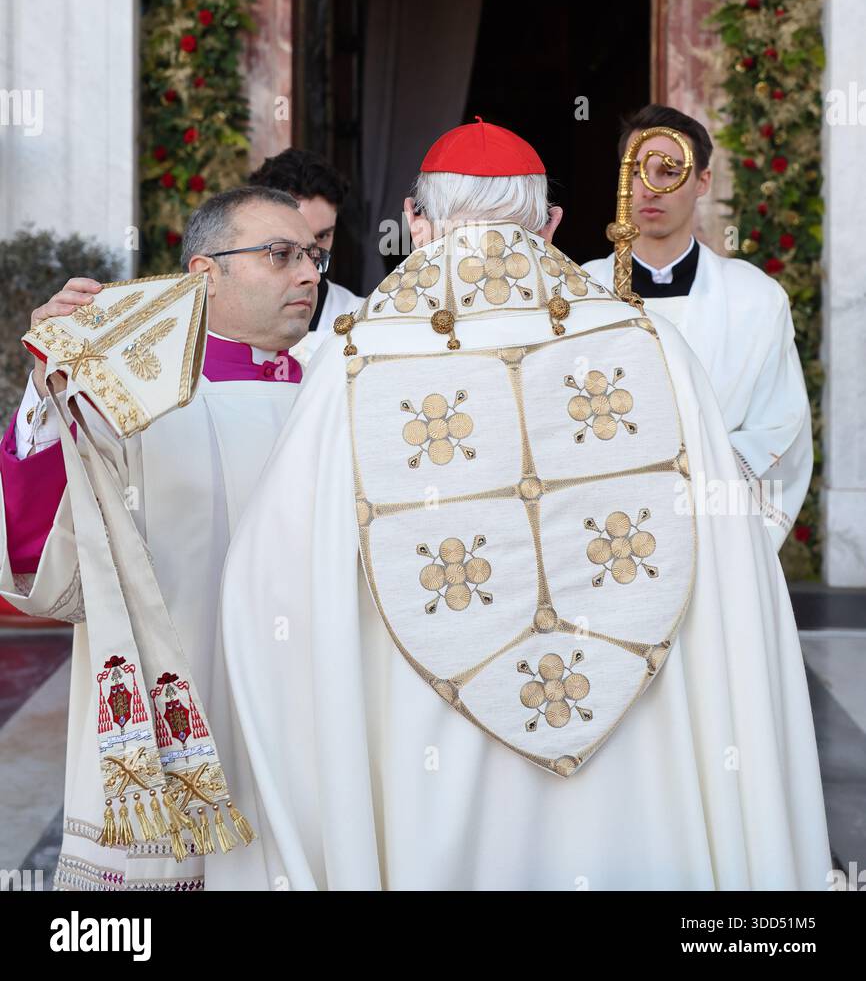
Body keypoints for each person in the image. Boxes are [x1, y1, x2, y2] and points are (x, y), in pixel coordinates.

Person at [213, 117, 831, 891]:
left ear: (415, 222)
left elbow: (271, 585)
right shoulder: (652, 347)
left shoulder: (354, 355)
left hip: (425, 755)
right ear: (550, 224)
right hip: (637, 777)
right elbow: (732, 572)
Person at [0, 185, 322, 891]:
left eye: (314, 257)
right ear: (206, 274)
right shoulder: (127, 399)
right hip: (174, 721)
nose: (309, 275)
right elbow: (41, 556)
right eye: (281, 255)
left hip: (305, 731)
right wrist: (48, 389)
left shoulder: (338, 395)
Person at [581, 104, 813, 549]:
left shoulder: (755, 300)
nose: (651, 189)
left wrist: (694, 483)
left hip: (718, 534)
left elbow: (780, 427)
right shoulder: (580, 293)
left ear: (702, 181)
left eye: (669, 172)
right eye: (637, 171)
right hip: (603, 535)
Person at [249, 148, 364, 367]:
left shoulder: (361, 319)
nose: (311, 256)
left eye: (322, 236)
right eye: (293, 239)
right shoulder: (228, 319)